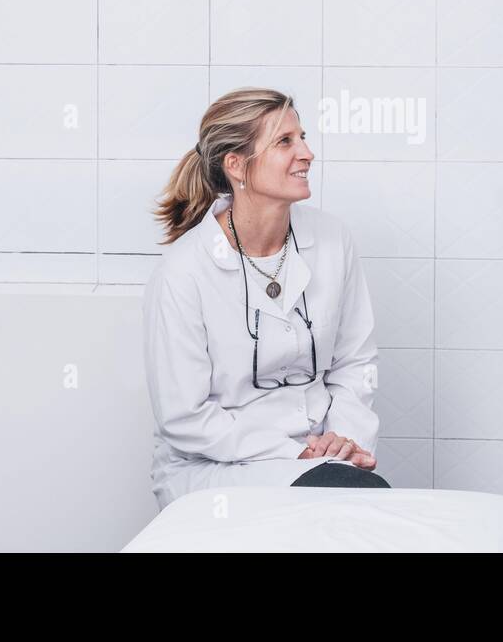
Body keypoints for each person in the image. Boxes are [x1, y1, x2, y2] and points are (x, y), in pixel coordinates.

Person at [143, 87, 385, 510]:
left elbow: (355, 362)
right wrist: (299, 455)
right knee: (351, 504)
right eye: (285, 142)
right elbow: (185, 417)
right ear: (236, 165)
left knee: (360, 503)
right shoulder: (184, 271)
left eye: (303, 137)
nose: (307, 153)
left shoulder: (332, 241)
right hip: (217, 465)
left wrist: (344, 441)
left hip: (318, 458)